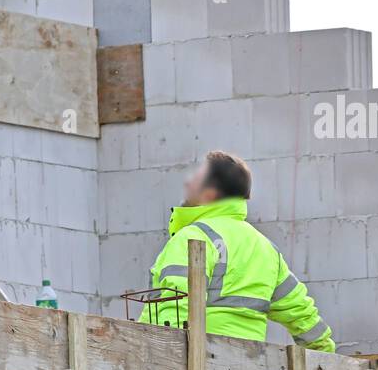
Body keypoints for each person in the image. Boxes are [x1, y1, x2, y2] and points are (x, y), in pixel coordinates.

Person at [143, 151, 335, 352]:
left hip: (196, 367)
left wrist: (160, 360)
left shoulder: (193, 237)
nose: (187, 183)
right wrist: (325, 361)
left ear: (209, 194)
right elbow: (302, 315)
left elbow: (173, 309)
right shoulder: (265, 248)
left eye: (195, 178)